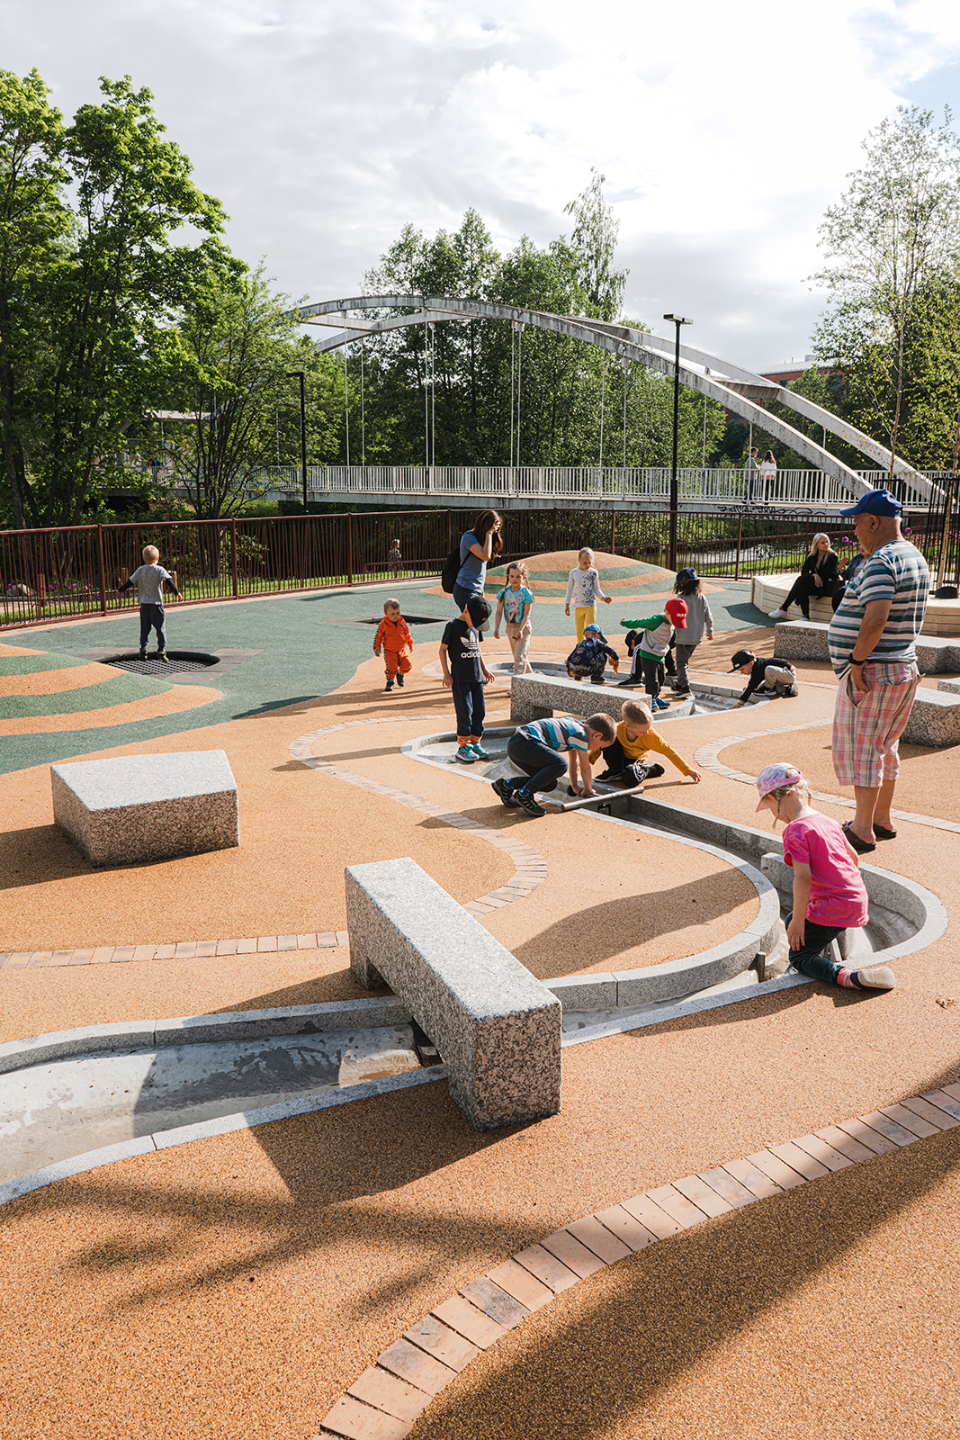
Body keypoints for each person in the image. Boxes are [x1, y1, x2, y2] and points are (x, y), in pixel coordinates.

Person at [828, 488, 930, 853]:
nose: (854, 531)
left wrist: (856, 661)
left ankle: (862, 829)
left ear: (873, 522)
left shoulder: (882, 560)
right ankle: (881, 819)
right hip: (901, 667)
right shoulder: (914, 556)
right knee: (886, 747)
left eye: (857, 523)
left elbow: (876, 618)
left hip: (874, 671)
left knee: (865, 751)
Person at [754, 762, 894, 990]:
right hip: (856, 899)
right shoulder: (827, 821)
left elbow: (802, 877)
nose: (774, 814)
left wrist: (799, 922)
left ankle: (847, 977)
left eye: (769, 806)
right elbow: (853, 858)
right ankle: (819, 951)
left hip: (832, 905)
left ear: (774, 797)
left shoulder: (795, 830)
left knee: (799, 956)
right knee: (792, 920)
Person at [491, 713, 617, 817]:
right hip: (525, 743)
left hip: (517, 745)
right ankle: (524, 794)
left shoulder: (575, 728)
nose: (597, 749)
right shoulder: (581, 735)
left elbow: (575, 762)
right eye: (600, 746)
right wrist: (588, 789)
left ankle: (506, 785)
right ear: (597, 735)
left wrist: (575, 786)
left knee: (549, 783)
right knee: (561, 764)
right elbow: (585, 767)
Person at [589, 699, 703, 789]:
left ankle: (649, 769)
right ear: (627, 726)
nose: (647, 732)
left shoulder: (650, 736)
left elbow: (669, 752)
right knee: (607, 737)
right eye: (643, 731)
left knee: (630, 780)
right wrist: (589, 760)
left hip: (635, 761)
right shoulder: (617, 729)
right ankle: (615, 770)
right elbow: (599, 745)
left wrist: (689, 771)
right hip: (619, 757)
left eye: (648, 728)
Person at [440, 596, 496, 765]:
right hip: (461, 679)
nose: (477, 625)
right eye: (476, 622)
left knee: (480, 711)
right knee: (465, 712)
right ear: (466, 612)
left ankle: (475, 743)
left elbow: (477, 649)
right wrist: (446, 673)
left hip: (477, 677)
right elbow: (442, 650)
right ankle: (463, 747)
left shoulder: (476, 626)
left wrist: (484, 670)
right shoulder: (452, 626)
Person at [115, 545, 182, 662]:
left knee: (145, 627)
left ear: (143, 558)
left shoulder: (140, 570)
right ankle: (161, 649)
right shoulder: (160, 570)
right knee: (160, 627)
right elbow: (169, 581)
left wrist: (120, 590)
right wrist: (177, 593)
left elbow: (130, 581)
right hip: (156, 604)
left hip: (144, 604)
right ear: (157, 558)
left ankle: (143, 648)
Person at [618, 598, 688, 709]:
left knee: (661, 678)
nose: (676, 622)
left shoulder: (671, 623)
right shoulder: (656, 621)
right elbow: (640, 622)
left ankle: (655, 696)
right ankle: (650, 699)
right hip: (648, 654)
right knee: (652, 679)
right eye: (675, 619)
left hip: (660, 655)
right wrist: (625, 623)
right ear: (667, 612)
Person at [769, 532, 840, 620]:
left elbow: (825, 575)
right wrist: (814, 575)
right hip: (814, 584)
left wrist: (815, 576)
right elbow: (804, 572)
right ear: (816, 545)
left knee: (801, 580)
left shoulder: (832, 557)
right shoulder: (811, 555)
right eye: (823, 543)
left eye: (827, 542)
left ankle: (784, 608)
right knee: (802, 587)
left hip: (826, 585)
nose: (826, 544)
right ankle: (805, 616)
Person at [670, 568, 714, 696]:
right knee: (685, 660)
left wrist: (670, 628)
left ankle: (685, 688)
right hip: (696, 635)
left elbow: (673, 616)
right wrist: (709, 631)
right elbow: (708, 616)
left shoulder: (681, 598)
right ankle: (680, 683)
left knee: (681, 662)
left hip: (683, 635)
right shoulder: (702, 597)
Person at [454, 510, 502, 614]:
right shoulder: (469, 537)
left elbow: (480, 568)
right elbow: (485, 556)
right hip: (465, 588)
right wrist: (489, 534)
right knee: (473, 620)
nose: (494, 531)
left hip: (476, 589)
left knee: (474, 620)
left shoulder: (482, 539)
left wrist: (481, 591)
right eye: (493, 528)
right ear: (485, 525)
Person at [494, 562, 535, 675]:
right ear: (508, 576)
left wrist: (521, 630)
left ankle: (517, 683)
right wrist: (496, 628)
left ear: (524, 577)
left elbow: (526, 614)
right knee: (519, 657)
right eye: (512, 576)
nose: (514, 579)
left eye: (518, 576)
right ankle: (531, 678)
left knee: (519, 658)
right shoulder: (504, 593)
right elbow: (498, 612)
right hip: (510, 628)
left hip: (523, 628)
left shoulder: (526, 593)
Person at [565, 548, 612, 641]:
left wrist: (603, 598)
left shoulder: (593, 573)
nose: (587, 565)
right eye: (585, 563)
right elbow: (570, 589)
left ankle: (592, 647)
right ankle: (581, 647)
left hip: (590, 606)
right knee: (579, 630)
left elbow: (596, 588)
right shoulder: (574, 572)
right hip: (578, 606)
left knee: (591, 630)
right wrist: (567, 604)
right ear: (579, 560)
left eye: (589, 562)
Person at [373, 599, 413, 693]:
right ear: (385, 613)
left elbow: (407, 633)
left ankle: (400, 674)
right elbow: (378, 637)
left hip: (402, 650)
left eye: (397, 613)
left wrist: (410, 643)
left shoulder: (402, 621)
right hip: (389, 652)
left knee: (407, 665)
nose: (396, 616)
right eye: (393, 614)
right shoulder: (383, 624)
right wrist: (377, 648)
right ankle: (390, 682)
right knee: (391, 669)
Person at [731, 649, 798, 705]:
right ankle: (786, 689)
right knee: (757, 691)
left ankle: (769, 689)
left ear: (751, 663)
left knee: (769, 669)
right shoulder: (755, 669)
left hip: (789, 675)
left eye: (742, 669)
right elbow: (752, 684)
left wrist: (789, 665)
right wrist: (750, 689)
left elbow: (777, 661)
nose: (741, 672)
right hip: (779, 678)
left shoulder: (759, 665)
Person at [831, 547, 867, 613]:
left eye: (864, 545)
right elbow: (846, 576)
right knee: (838, 596)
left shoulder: (875, 559)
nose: (861, 548)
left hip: (864, 586)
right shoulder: (857, 558)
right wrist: (840, 568)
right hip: (851, 585)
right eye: (860, 545)